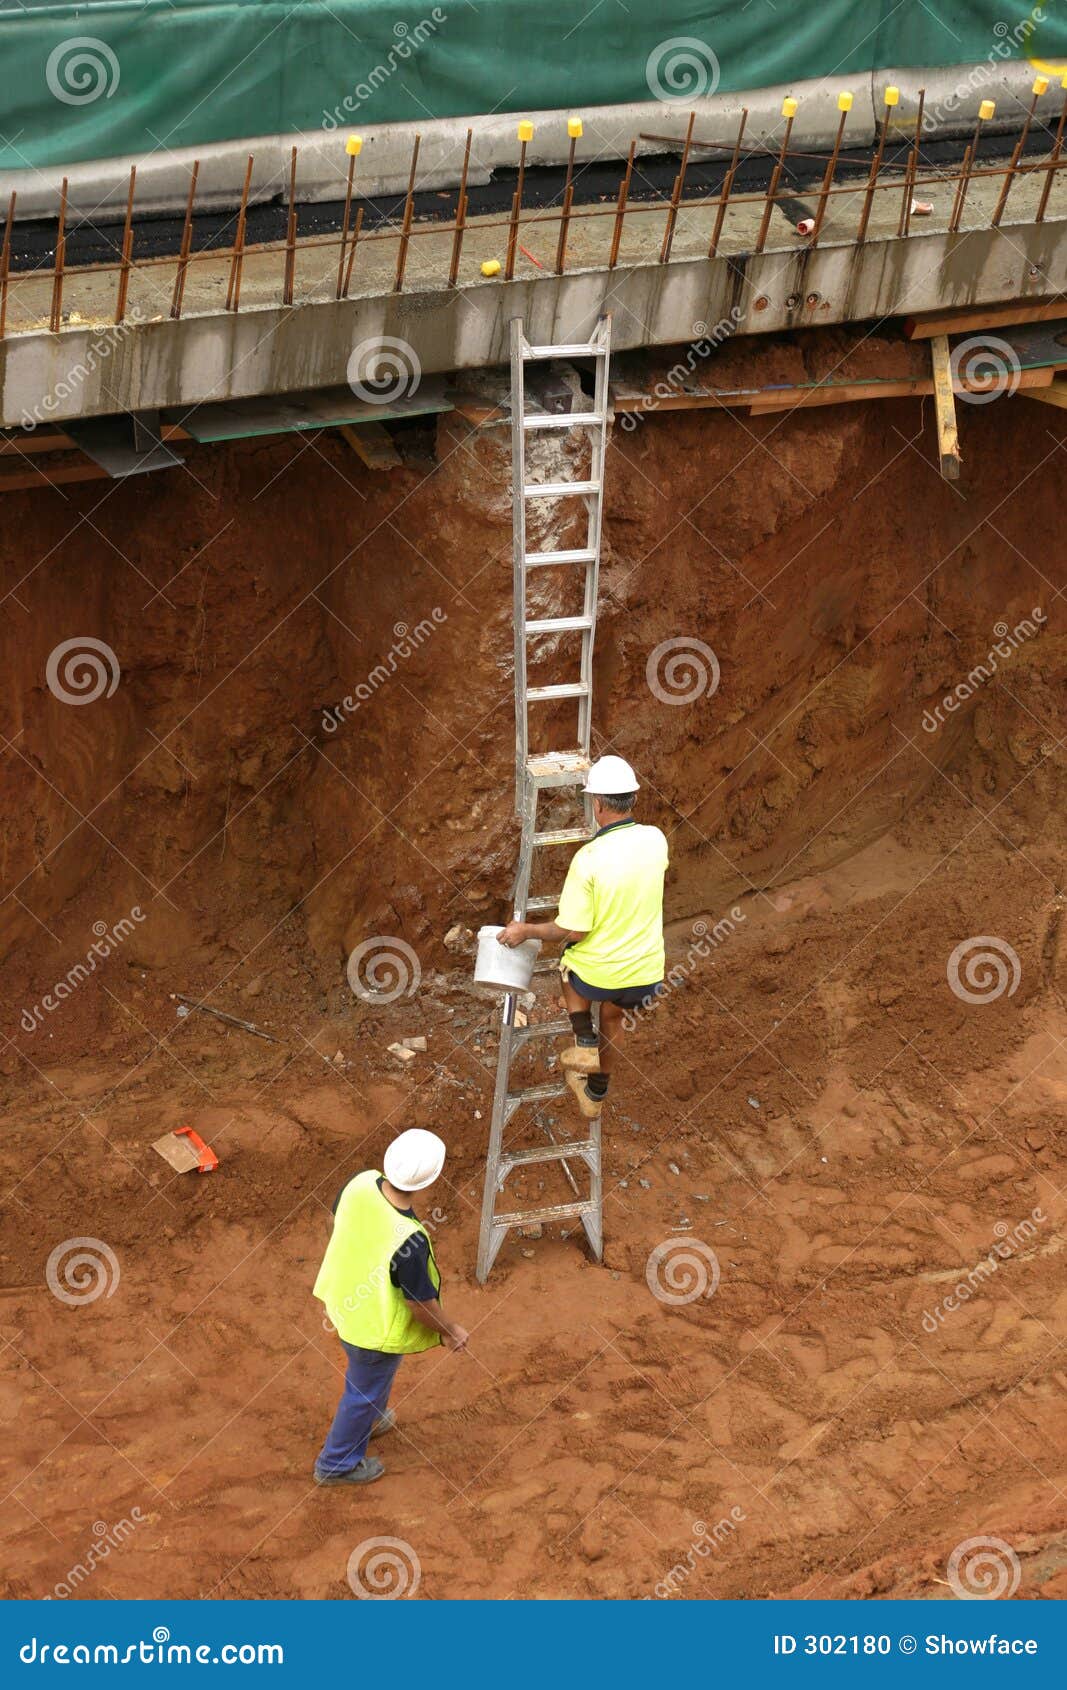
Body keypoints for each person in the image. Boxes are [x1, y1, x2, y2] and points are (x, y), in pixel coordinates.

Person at [497, 755, 667, 1118]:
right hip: (646, 976)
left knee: (568, 964)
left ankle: (584, 1039)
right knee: (613, 1017)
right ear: (633, 799)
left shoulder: (588, 858)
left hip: (600, 976)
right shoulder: (657, 840)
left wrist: (526, 930)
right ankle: (596, 1093)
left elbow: (571, 930)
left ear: (598, 803)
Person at [312, 1127, 468, 1487]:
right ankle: (336, 1465)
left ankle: (373, 1416)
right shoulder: (410, 1240)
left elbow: (333, 1224)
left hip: (343, 1302)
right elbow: (420, 1306)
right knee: (363, 1389)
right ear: (429, 1180)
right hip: (373, 1330)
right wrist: (450, 1331)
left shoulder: (360, 1181)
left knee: (370, 1379)